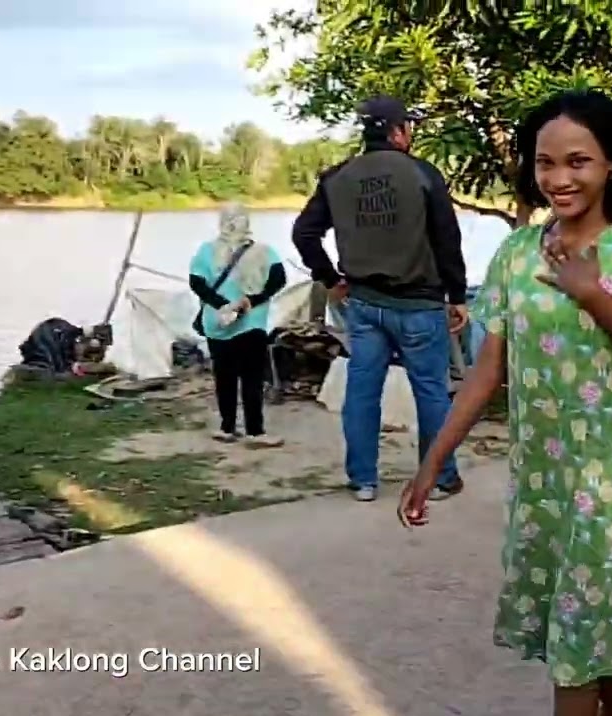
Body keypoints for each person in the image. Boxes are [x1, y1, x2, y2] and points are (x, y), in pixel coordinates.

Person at [398, 89, 612, 716]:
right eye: (545, 164)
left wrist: (596, 297)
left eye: (578, 162)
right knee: (578, 612)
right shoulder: (515, 254)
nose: (559, 179)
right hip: (542, 471)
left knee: (579, 623)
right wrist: (433, 461)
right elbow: (487, 372)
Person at [292, 95, 470, 503]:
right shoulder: (423, 174)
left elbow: (304, 234)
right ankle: (441, 478)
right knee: (430, 391)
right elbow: (448, 240)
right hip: (421, 306)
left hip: (365, 305)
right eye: (407, 125)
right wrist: (457, 295)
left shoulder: (337, 177)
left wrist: (329, 278)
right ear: (396, 131)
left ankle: (364, 481)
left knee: (362, 390)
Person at [189, 203, 287, 447]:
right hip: (251, 322)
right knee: (252, 377)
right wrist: (250, 302)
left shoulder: (207, 251)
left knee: (224, 376)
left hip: (218, 322)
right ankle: (255, 430)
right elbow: (278, 280)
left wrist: (222, 305)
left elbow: (196, 283)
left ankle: (227, 427)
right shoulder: (264, 252)